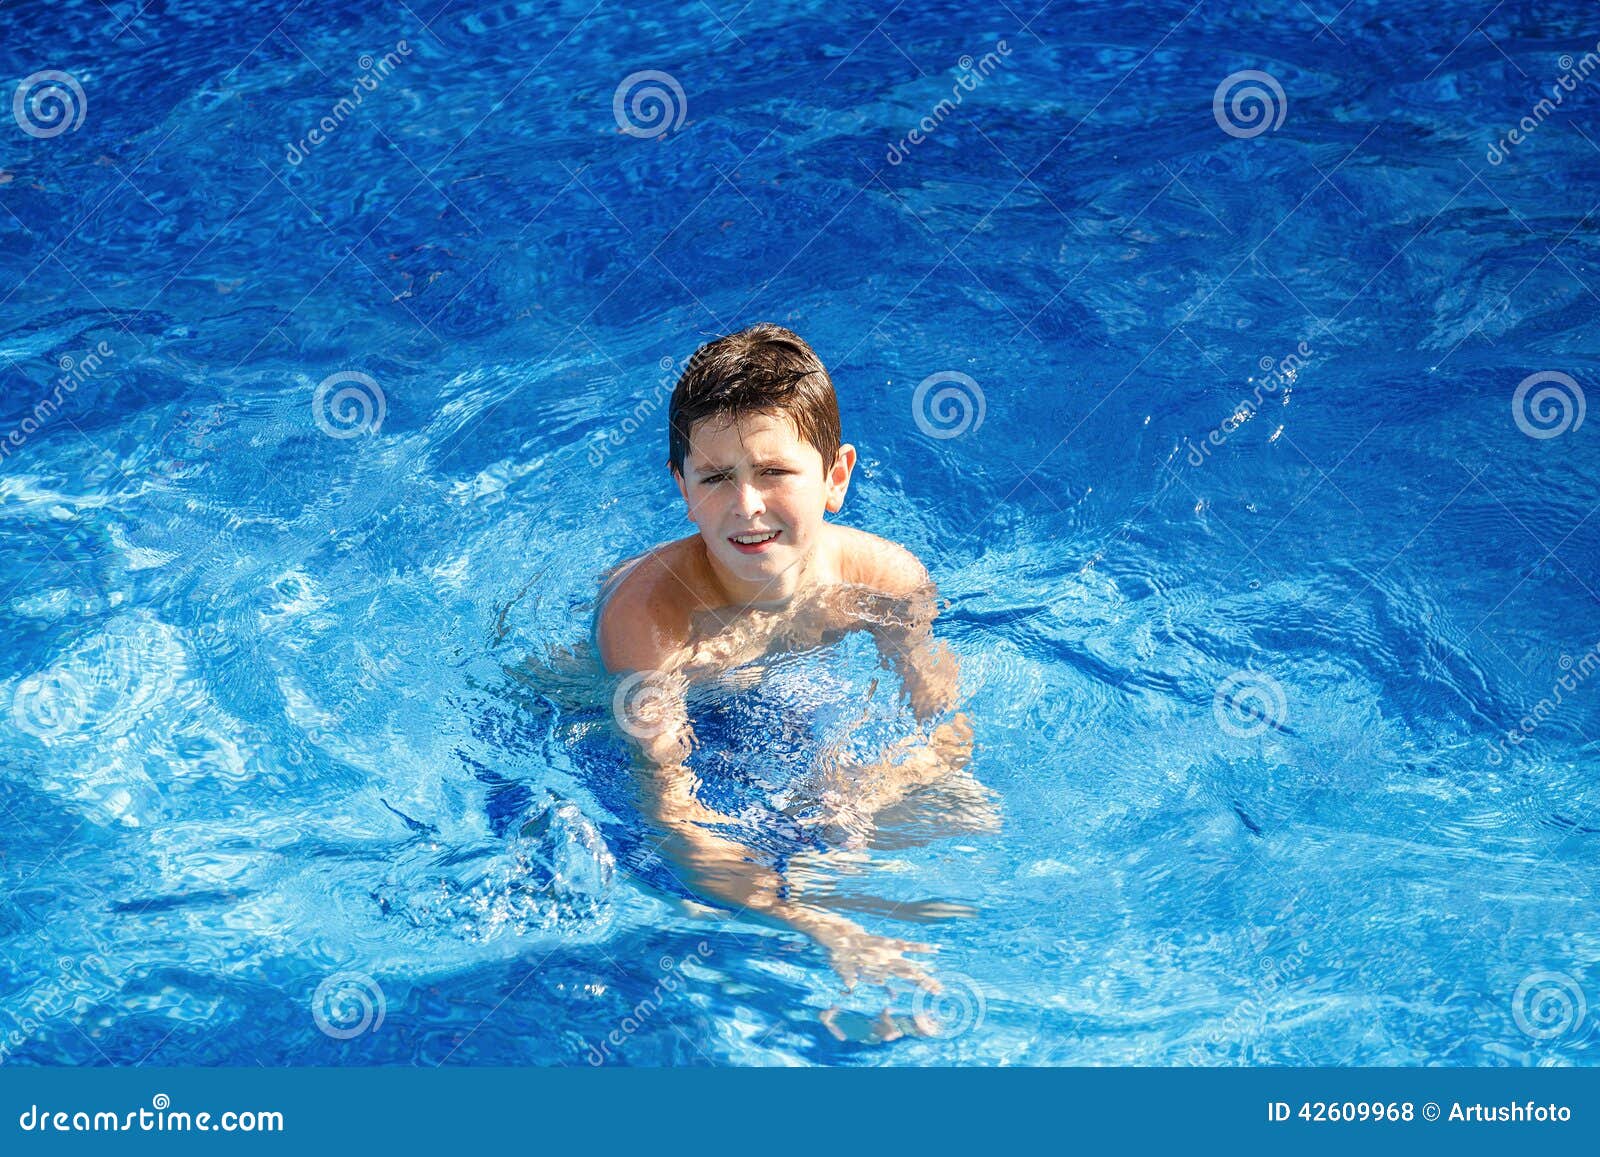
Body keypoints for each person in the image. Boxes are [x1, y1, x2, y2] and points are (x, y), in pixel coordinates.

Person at [595, 322, 990, 991]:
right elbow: (671, 811)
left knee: (968, 812)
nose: (747, 505)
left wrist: (864, 790)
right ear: (683, 489)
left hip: (781, 699)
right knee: (668, 883)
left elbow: (947, 732)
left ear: (836, 477)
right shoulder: (651, 620)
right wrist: (815, 924)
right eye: (717, 477)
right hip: (631, 713)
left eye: (775, 471)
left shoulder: (884, 581)